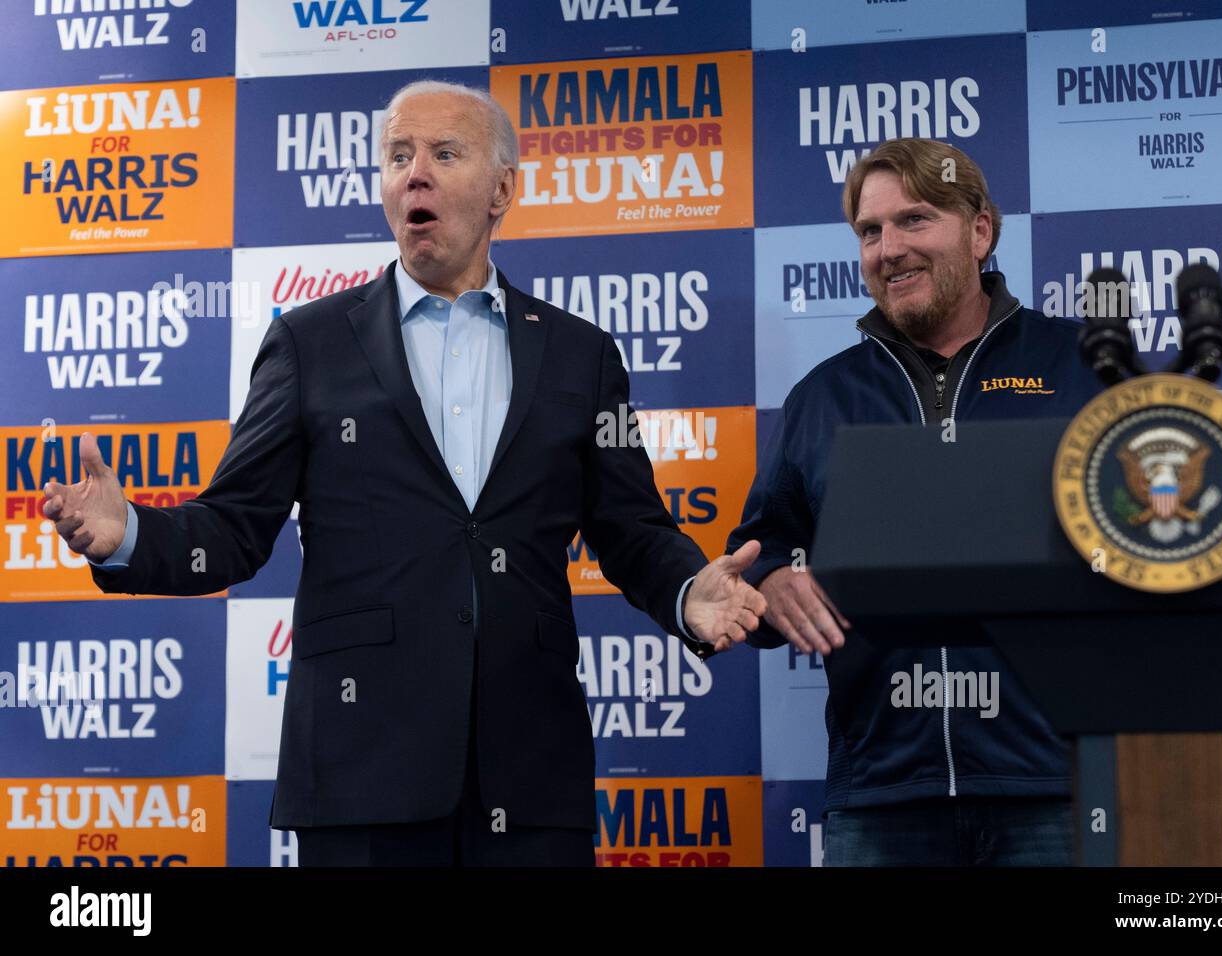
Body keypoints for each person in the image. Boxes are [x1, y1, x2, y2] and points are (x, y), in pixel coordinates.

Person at [41, 80, 766, 867]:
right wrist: (128, 534)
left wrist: (692, 592)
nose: (414, 173)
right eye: (398, 156)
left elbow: (632, 530)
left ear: (501, 191)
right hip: (361, 780)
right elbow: (233, 528)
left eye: (443, 154)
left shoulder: (582, 356)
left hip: (528, 781)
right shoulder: (309, 346)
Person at [728, 138, 1102, 866]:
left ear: (981, 230)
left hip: (1056, 783)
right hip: (882, 796)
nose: (888, 248)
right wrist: (771, 580)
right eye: (870, 232)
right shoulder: (822, 397)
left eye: (914, 220)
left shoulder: (1083, 366)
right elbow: (761, 551)